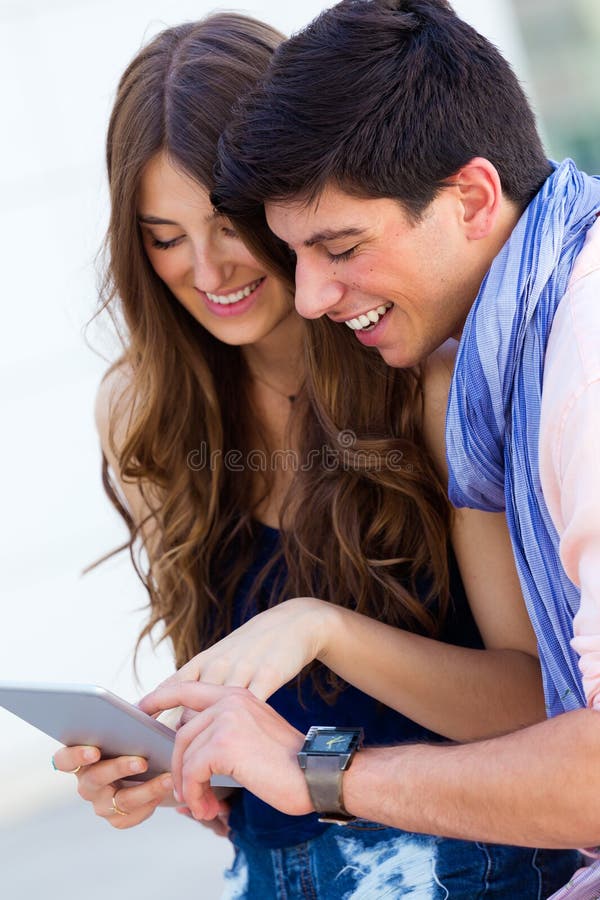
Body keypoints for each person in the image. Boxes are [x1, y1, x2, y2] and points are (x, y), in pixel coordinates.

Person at [50, 9, 580, 899]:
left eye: (226, 222)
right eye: (164, 237)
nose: (208, 272)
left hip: (467, 865)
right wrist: (177, 768)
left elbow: (531, 704)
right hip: (274, 874)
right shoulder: (142, 413)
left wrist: (323, 627)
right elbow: (254, 731)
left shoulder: (431, 390)